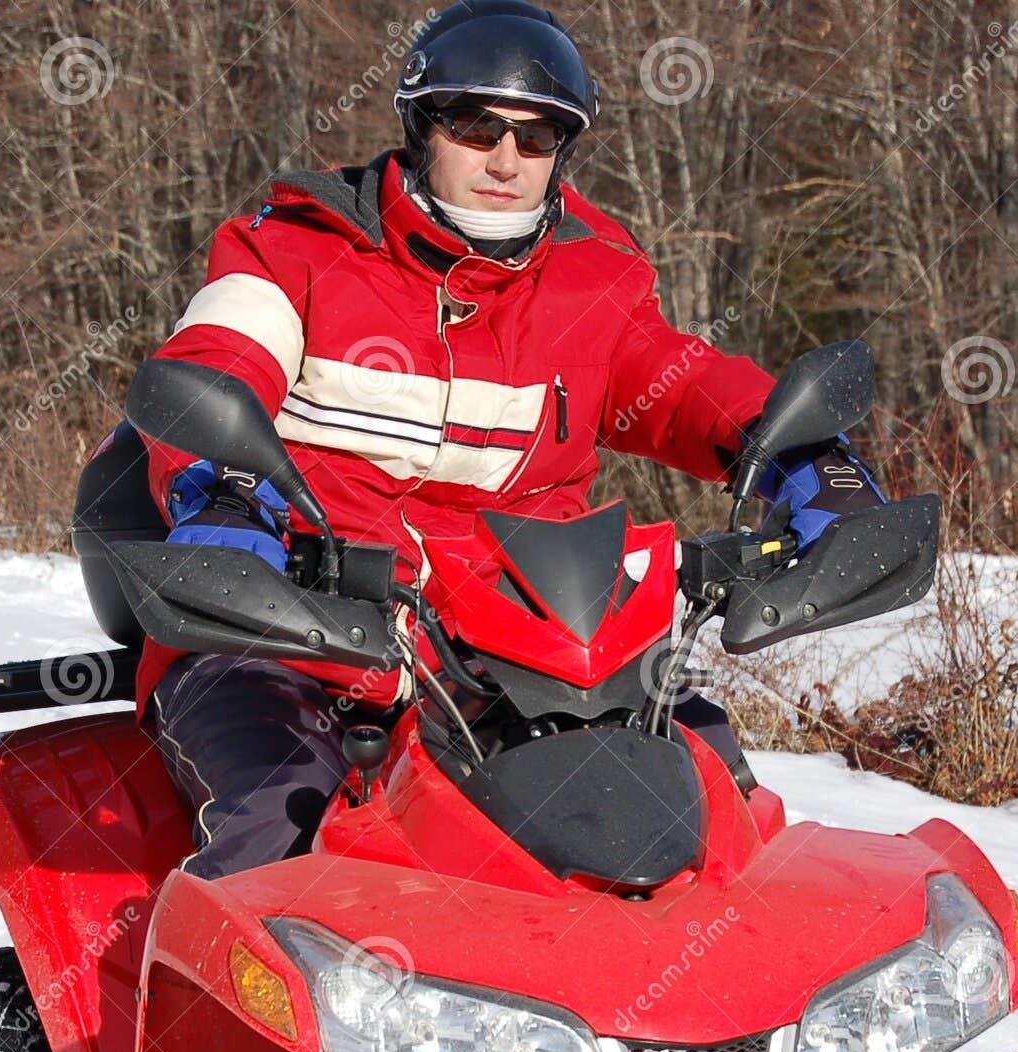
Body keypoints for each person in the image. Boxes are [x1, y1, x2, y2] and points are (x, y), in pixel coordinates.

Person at [130, 0, 883, 879]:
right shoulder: (293, 249)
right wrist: (220, 492)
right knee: (287, 842)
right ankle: (220, 1014)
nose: (503, 159)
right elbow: (218, 365)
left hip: (526, 653)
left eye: (536, 137)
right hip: (294, 631)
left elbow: (680, 384)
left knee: (715, 829)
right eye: (475, 124)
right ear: (419, 124)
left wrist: (804, 458)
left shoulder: (592, 276)